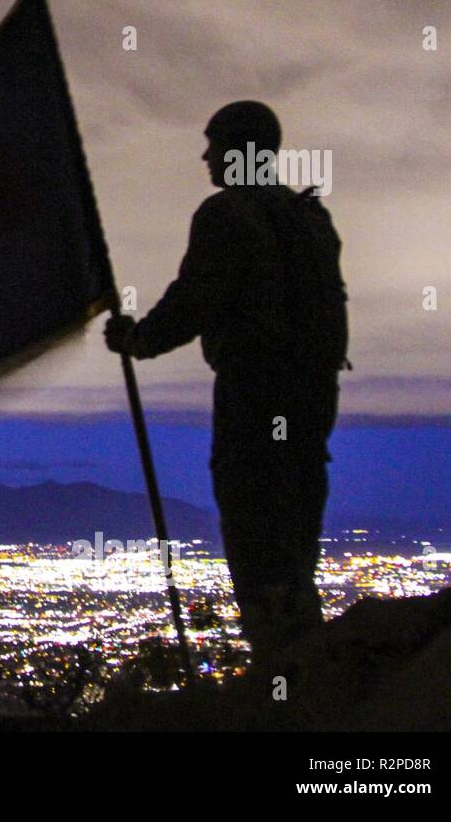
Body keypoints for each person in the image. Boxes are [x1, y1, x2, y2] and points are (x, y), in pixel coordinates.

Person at [104, 100, 348, 660]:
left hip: (255, 390)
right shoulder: (311, 217)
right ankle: (299, 644)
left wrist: (136, 340)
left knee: (251, 513)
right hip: (313, 395)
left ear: (239, 148)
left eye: (213, 144)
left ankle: (277, 658)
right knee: (295, 510)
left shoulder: (226, 215)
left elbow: (193, 301)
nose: (205, 156)